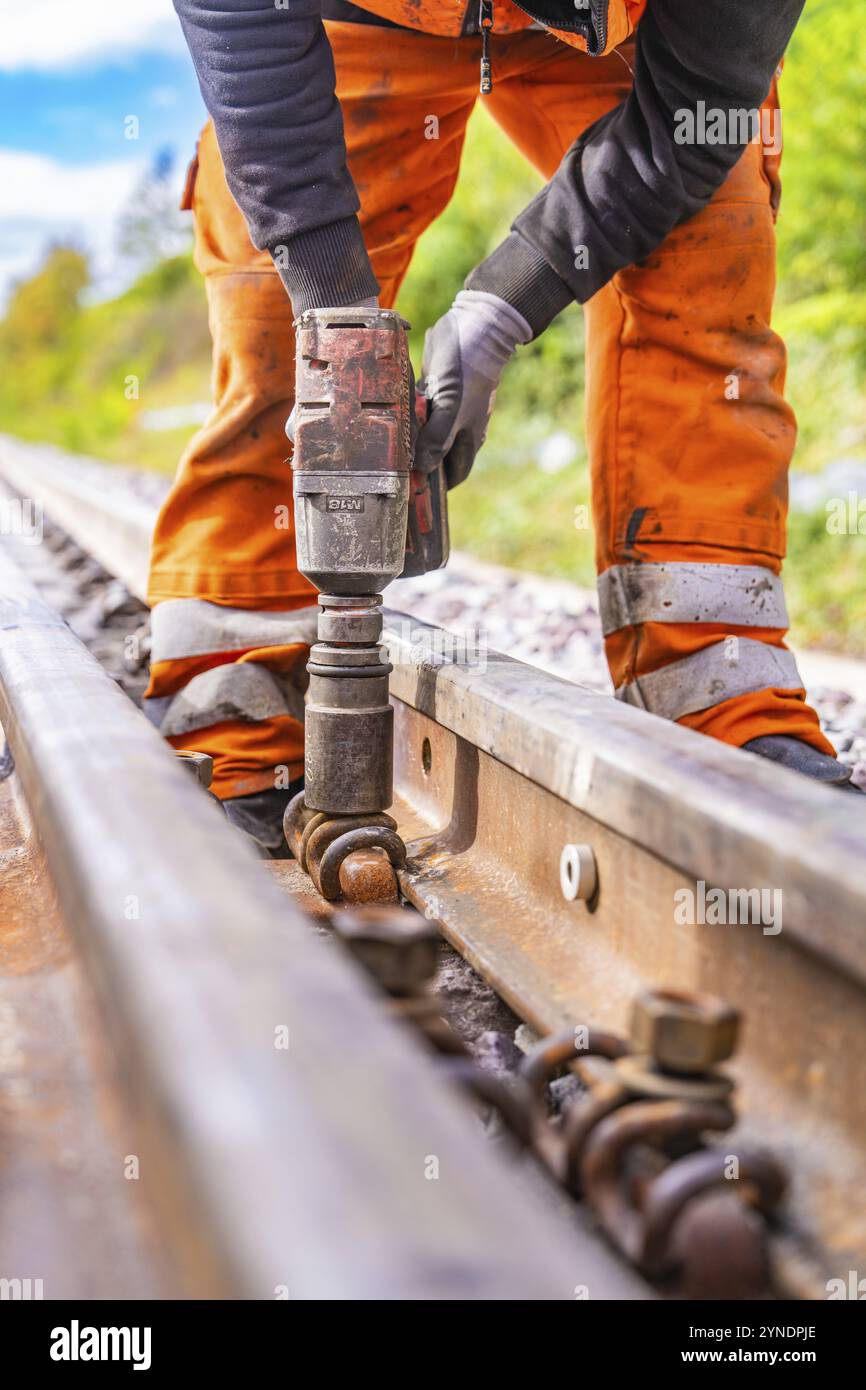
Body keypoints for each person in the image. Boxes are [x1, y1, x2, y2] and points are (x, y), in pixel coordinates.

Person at [146, 0, 857, 859]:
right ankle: (233, 693)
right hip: (363, 15)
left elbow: (691, 114)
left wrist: (502, 307)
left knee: (707, 256)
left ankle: (719, 692)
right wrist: (330, 304)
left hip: (627, 29)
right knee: (275, 326)